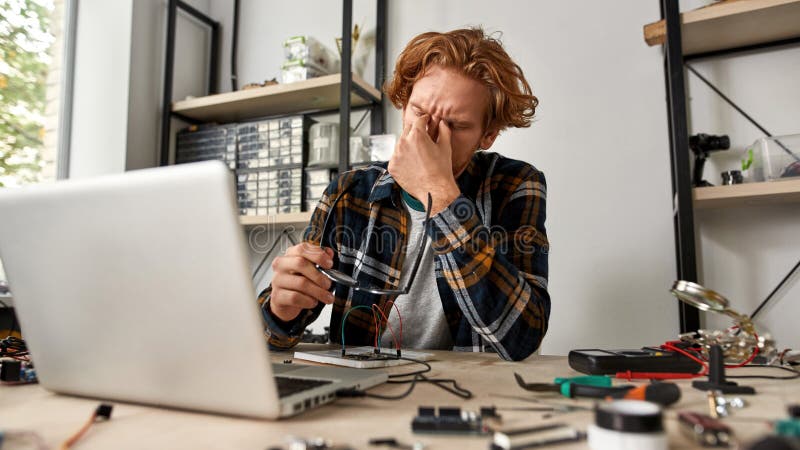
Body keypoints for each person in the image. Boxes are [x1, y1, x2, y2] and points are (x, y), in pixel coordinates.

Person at [258, 27, 549, 361]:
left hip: (474, 395)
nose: (426, 134)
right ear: (403, 106)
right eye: (419, 112)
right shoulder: (349, 191)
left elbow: (522, 338)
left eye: (455, 125)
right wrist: (282, 307)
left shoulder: (516, 184)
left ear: (488, 136)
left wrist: (439, 194)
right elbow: (269, 341)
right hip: (366, 389)